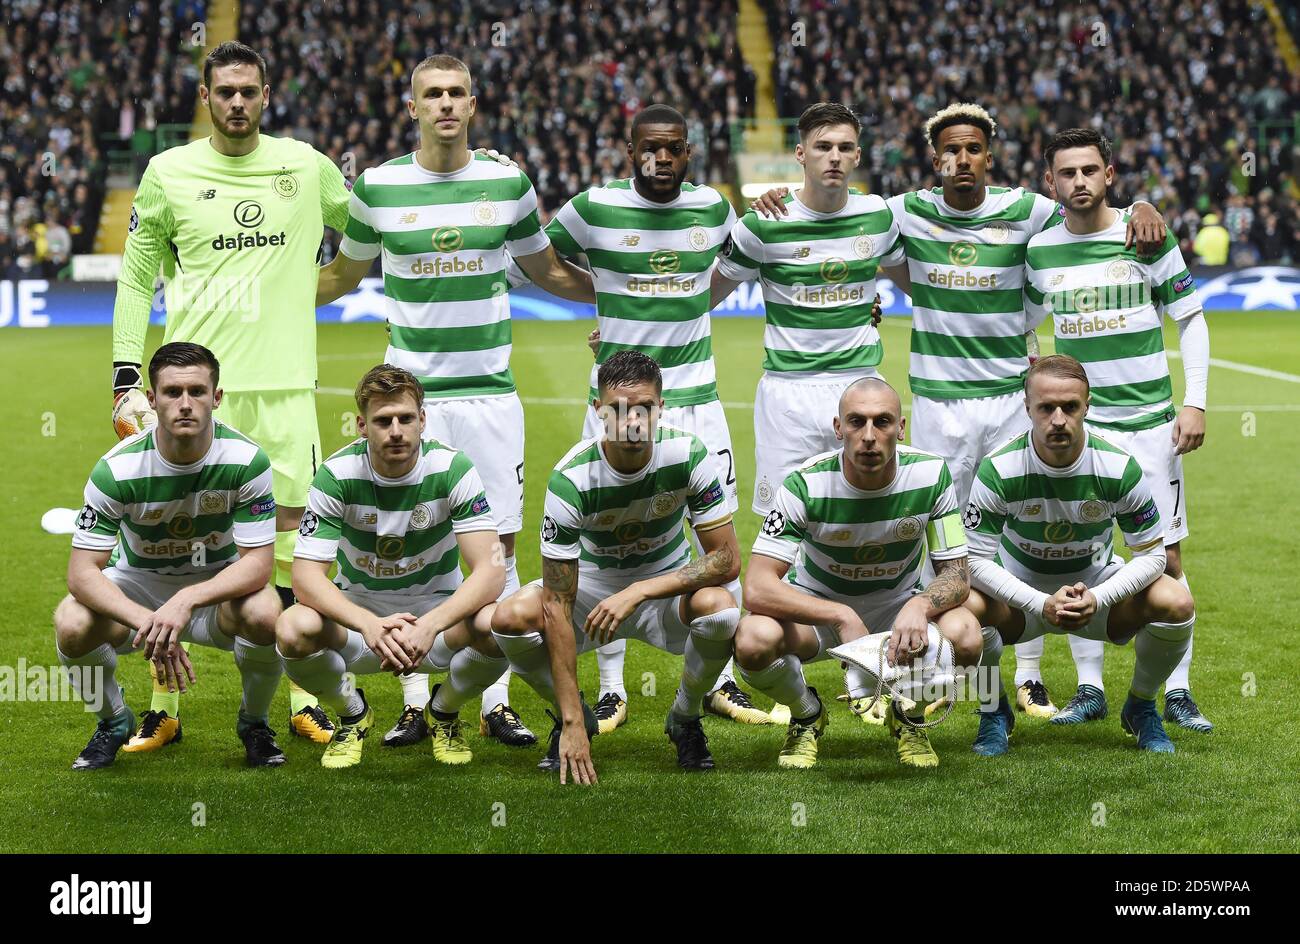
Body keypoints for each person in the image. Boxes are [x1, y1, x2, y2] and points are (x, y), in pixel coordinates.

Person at [315, 53, 596, 747]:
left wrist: (635, 296)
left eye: (457, 93)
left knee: (496, 548)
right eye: (432, 94)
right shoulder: (377, 187)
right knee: (410, 546)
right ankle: (417, 699)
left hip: (492, 401)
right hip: (412, 404)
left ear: (474, 105)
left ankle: (485, 698)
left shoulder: (507, 181)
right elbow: (340, 277)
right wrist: (248, 296)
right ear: (411, 107)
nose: (445, 103)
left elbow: (550, 271)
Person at [110, 41, 340, 750]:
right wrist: (125, 375)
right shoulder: (167, 173)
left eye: (248, 90)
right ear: (205, 96)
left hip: (287, 395)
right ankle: (163, 703)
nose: (237, 102)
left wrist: (473, 168)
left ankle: (300, 696)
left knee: (297, 555)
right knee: (172, 552)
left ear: (266, 94)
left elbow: (372, 219)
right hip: (198, 400)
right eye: (224, 91)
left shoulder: (306, 165)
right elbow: (137, 271)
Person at [543, 103, 766, 733]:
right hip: (619, 402)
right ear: (629, 148)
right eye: (649, 148)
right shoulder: (593, 208)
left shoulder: (714, 208)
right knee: (606, 533)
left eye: (672, 148)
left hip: (695, 401)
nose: (660, 159)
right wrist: (604, 296)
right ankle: (612, 688)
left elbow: (744, 263)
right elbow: (533, 259)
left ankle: (720, 681)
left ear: (688, 152)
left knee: (715, 541)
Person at [1024, 127, 1211, 730]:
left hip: (1151, 426)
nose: (1080, 182)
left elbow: (1191, 317)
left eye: (1090, 170)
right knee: (1080, 552)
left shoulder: (1145, 234)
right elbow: (1024, 322)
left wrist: (1196, 402)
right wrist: (1039, 373)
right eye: (1067, 173)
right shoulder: (1042, 251)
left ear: (1109, 174)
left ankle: (1172, 692)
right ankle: (1089, 689)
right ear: (1050, 183)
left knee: (1166, 559)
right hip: (1081, 432)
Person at [491, 352, 742, 781]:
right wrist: (571, 718)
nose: (632, 421)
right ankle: (575, 717)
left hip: (662, 591)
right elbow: (555, 601)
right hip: (589, 593)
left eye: (643, 407)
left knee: (721, 608)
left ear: (661, 408)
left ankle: (684, 717)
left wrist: (640, 590)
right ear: (598, 411)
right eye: (618, 409)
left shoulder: (689, 453)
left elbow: (727, 559)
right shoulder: (571, 478)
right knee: (509, 618)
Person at [55, 342, 287, 770]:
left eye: (197, 392)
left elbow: (258, 563)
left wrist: (185, 601)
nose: (185, 404)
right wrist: (149, 620)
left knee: (266, 612)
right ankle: (112, 720)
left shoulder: (246, 460)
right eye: (172, 393)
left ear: (216, 398)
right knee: (71, 621)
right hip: (139, 586)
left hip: (214, 587)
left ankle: (254, 723)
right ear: (152, 399)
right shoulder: (117, 469)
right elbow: (82, 574)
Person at [735, 377, 982, 769]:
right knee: (752, 639)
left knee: (966, 635)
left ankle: (910, 718)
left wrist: (919, 604)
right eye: (856, 422)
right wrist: (840, 615)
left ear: (901, 429)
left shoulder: (931, 476)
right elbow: (757, 587)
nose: (868, 436)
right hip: (819, 613)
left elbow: (957, 575)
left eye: (882, 422)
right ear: (838, 428)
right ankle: (806, 714)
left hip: (897, 609)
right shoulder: (804, 484)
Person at [276, 365, 510, 767]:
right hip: (360, 622)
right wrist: (366, 624)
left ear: (422, 420)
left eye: (405, 418)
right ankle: (352, 714)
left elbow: (490, 571)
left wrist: (430, 625)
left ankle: (444, 711)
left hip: (437, 622)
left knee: (499, 624)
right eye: (383, 421)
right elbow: (305, 578)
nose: (396, 430)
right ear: (362, 426)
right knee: (292, 628)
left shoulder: (452, 469)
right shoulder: (337, 475)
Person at [963, 355, 1196, 755]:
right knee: (963, 606)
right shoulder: (999, 469)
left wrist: (1098, 597)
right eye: (1046, 407)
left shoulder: (1118, 467)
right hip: (1022, 602)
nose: (1058, 419)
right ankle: (993, 711)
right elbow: (973, 561)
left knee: (1176, 601)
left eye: (1070, 407)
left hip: (1096, 597)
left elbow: (1154, 556)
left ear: (1087, 406)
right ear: (1027, 408)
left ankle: (1140, 706)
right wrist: (1040, 602)